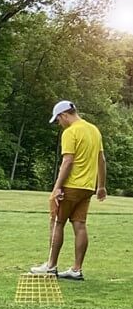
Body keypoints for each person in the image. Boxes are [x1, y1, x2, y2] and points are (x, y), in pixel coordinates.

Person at [30, 101, 107, 281]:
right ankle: (76, 269)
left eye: (58, 120)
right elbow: (101, 160)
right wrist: (101, 186)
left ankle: (50, 267)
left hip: (70, 186)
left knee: (57, 222)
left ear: (64, 115)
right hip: (87, 187)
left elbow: (68, 161)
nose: (59, 124)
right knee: (79, 225)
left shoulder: (70, 132)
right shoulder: (94, 130)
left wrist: (57, 187)